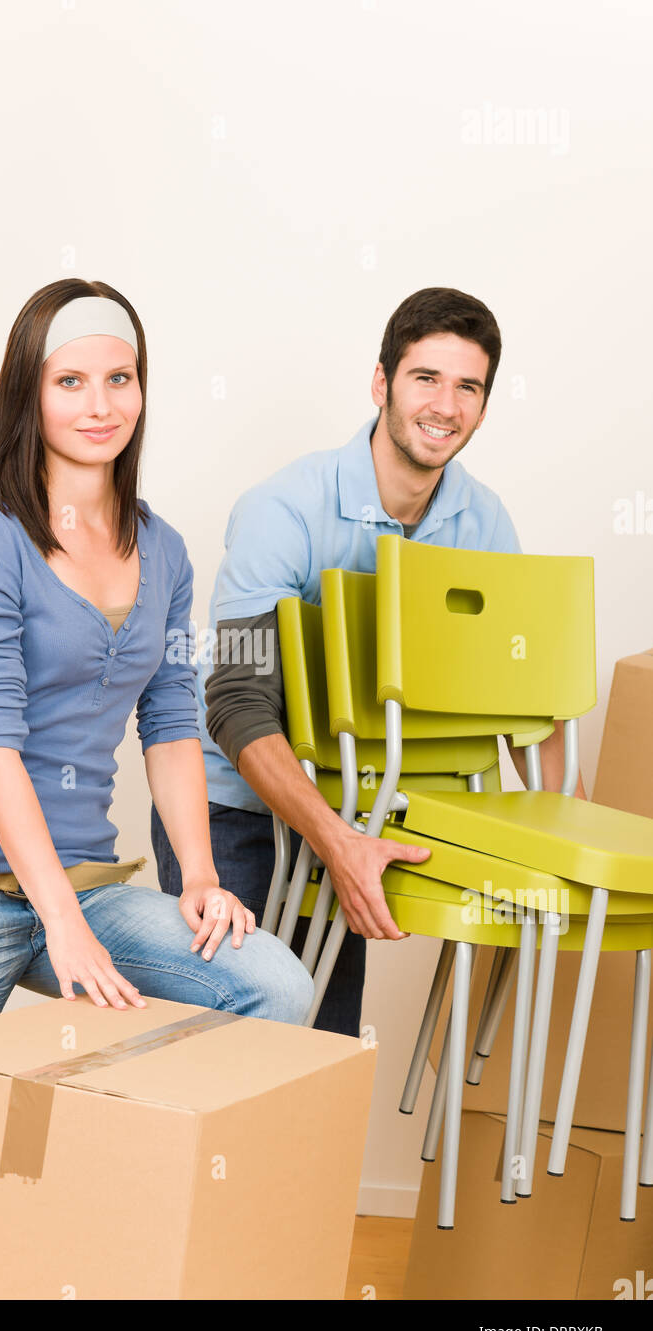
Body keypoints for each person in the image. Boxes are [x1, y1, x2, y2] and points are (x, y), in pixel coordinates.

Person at [0, 279, 314, 1262]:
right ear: (30, 390)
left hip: (89, 886)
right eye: (71, 380)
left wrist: (196, 874)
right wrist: (55, 922)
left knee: (269, 986)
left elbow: (173, 719)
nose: (100, 403)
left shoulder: (166, 549)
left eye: (120, 377)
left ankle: (125, 1248)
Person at [152, 286, 585, 1040]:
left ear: (484, 406)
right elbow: (235, 703)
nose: (445, 406)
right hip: (236, 809)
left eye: (468, 387)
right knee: (216, 1051)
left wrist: (567, 846)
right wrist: (336, 841)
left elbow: (527, 706)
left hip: (352, 804)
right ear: (382, 383)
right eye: (426, 378)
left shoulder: (483, 525)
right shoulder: (283, 510)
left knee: (319, 1050)